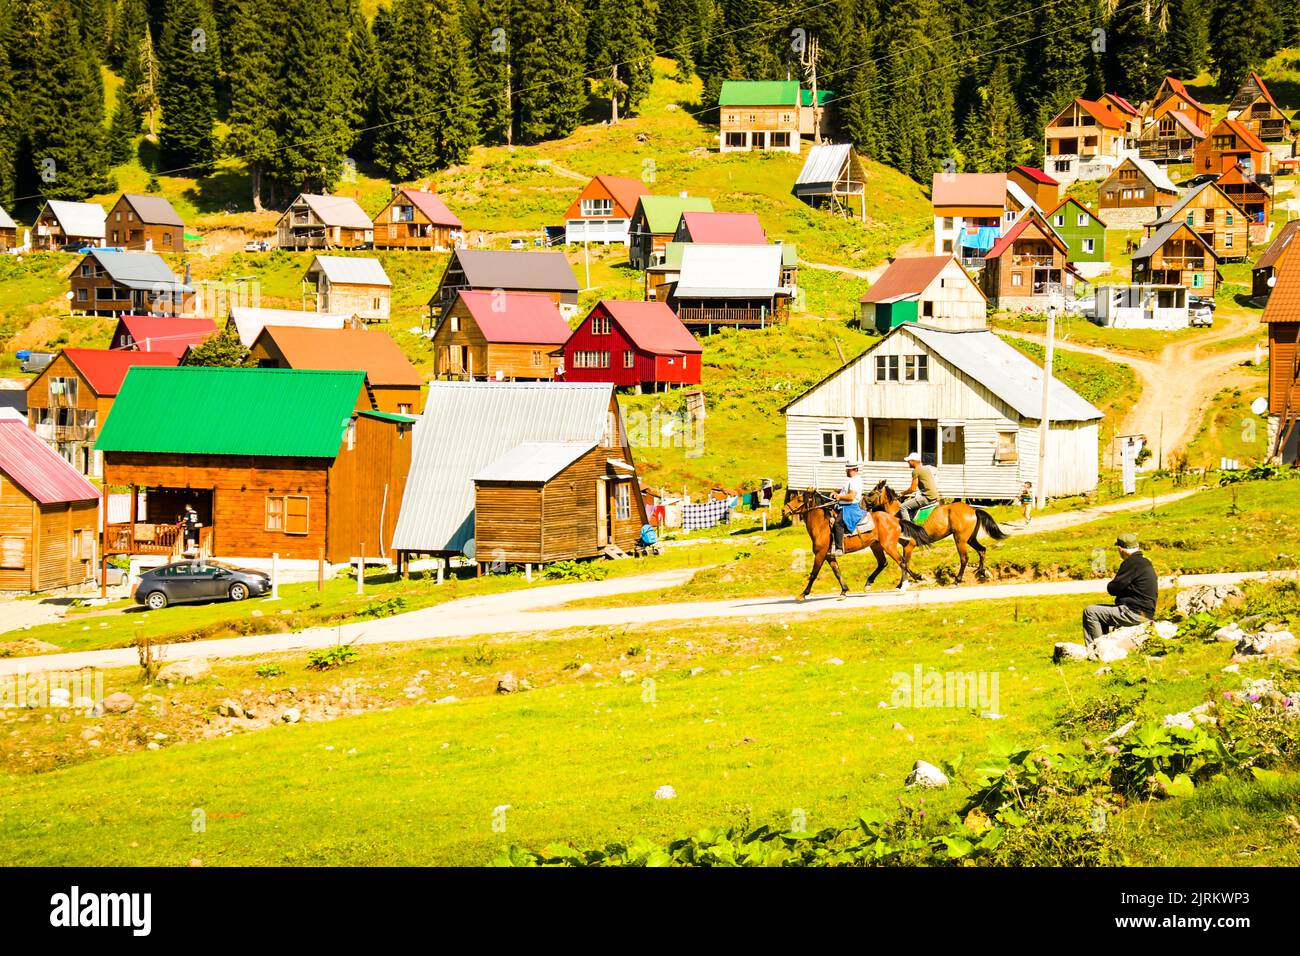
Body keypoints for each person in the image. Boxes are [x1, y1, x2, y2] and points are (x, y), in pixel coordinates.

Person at [1082, 533, 1158, 645]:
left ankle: (1096, 649)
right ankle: (1105, 644)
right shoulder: (1144, 562)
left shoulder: (1131, 563)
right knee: (1100, 612)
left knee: (1090, 612)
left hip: (1134, 613)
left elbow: (1113, 589)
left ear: (1120, 549)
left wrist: (1112, 581)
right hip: (1146, 612)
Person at [829, 461, 865, 556]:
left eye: (847, 469)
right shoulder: (852, 480)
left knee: (838, 523)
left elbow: (851, 496)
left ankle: (839, 549)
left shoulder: (855, 481)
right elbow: (845, 493)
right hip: (845, 505)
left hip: (850, 507)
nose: (846, 471)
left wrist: (839, 497)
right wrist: (836, 494)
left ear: (852, 469)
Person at [899, 452, 938, 524]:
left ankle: (909, 529)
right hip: (933, 496)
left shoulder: (916, 471)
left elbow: (912, 489)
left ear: (913, 461)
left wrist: (902, 493)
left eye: (909, 461)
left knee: (902, 507)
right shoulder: (925, 468)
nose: (908, 463)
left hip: (927, 497)